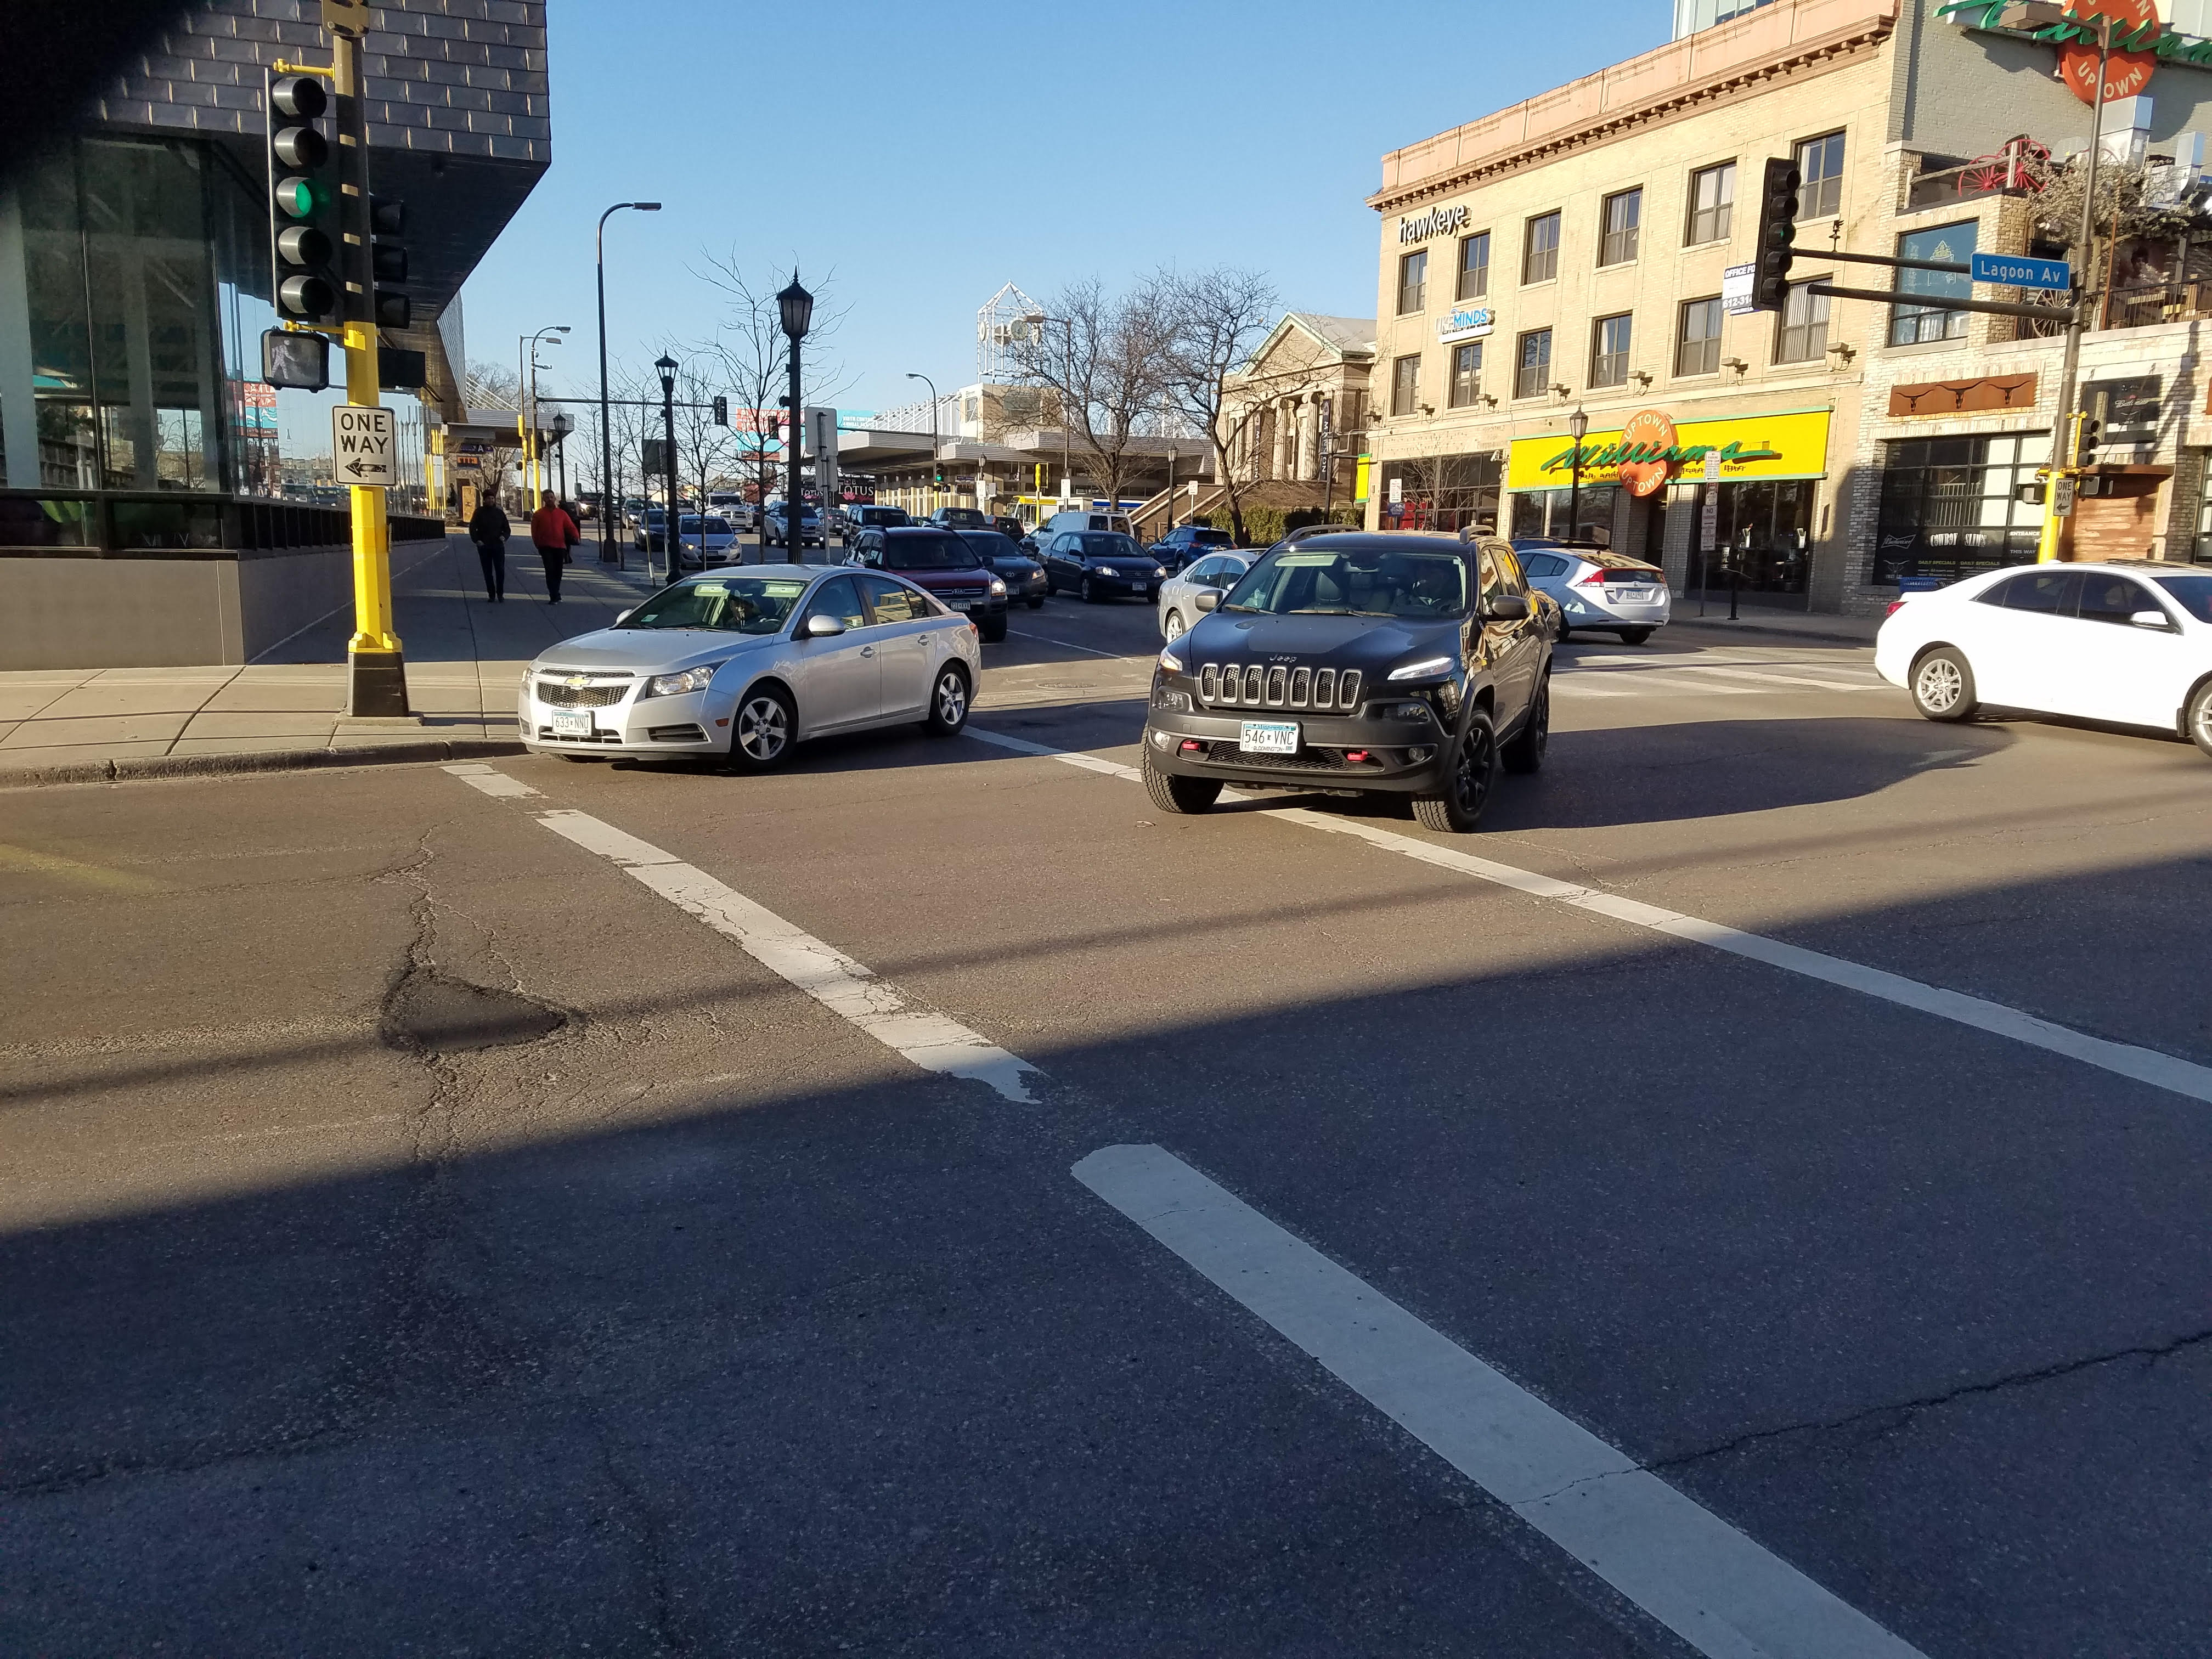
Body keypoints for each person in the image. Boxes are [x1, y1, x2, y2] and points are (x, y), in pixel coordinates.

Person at [529, 490, 581, 604]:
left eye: (552, 497)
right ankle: (553, 595)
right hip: (545, 547)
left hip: (559, 546)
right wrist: (537, 543)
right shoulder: (538, 514)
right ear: (544, 499)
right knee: (549, 570)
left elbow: (570, 527)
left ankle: (556, 593)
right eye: (547, 497)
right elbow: (534, 531)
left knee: (558, 571)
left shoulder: (561, 514)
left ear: (555, 499)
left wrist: (576, 536)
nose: (550, 499)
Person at [467, 494, 510, 603]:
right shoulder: (479, 512)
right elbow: (473, 528)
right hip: (484, 546)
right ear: (484, 500)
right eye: (488, 499)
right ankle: (491, 594)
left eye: (492, 499)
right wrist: (477, 540)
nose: (491, 501)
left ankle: (500, 594)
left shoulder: (499, 513)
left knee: (500, 570)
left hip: (498, 546)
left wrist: (504, 537)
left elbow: (507, 529)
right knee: (487, 571)